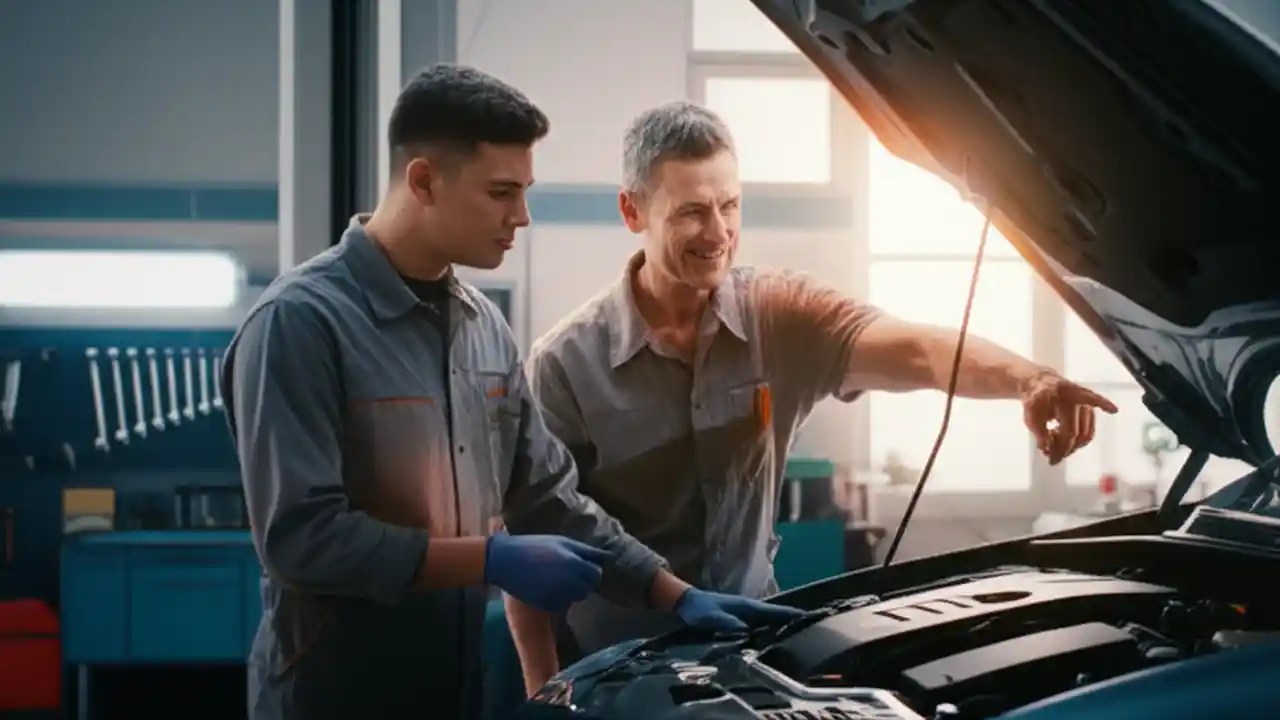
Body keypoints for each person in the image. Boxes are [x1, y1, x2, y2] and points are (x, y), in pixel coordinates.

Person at [221, 69, 802, 720]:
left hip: (450, 690)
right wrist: (489, 559)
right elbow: (302, 540)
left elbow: (549, 498)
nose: (521, 217)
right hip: (332, 698)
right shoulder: (299, 324)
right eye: (501, 193)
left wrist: (672, 593)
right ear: (423, 181)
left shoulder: (482, 328)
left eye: (524, 192)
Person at [503, 100, 1120, 692]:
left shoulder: (780, 315)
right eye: (691, 212)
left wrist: (1028, 378)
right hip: (621, 676)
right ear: (632, 211)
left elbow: (916, 349)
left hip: (748, 656)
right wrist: (540, 692)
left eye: (730, 206)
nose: (717, 233)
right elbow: (532, 537)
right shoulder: (563, 365)